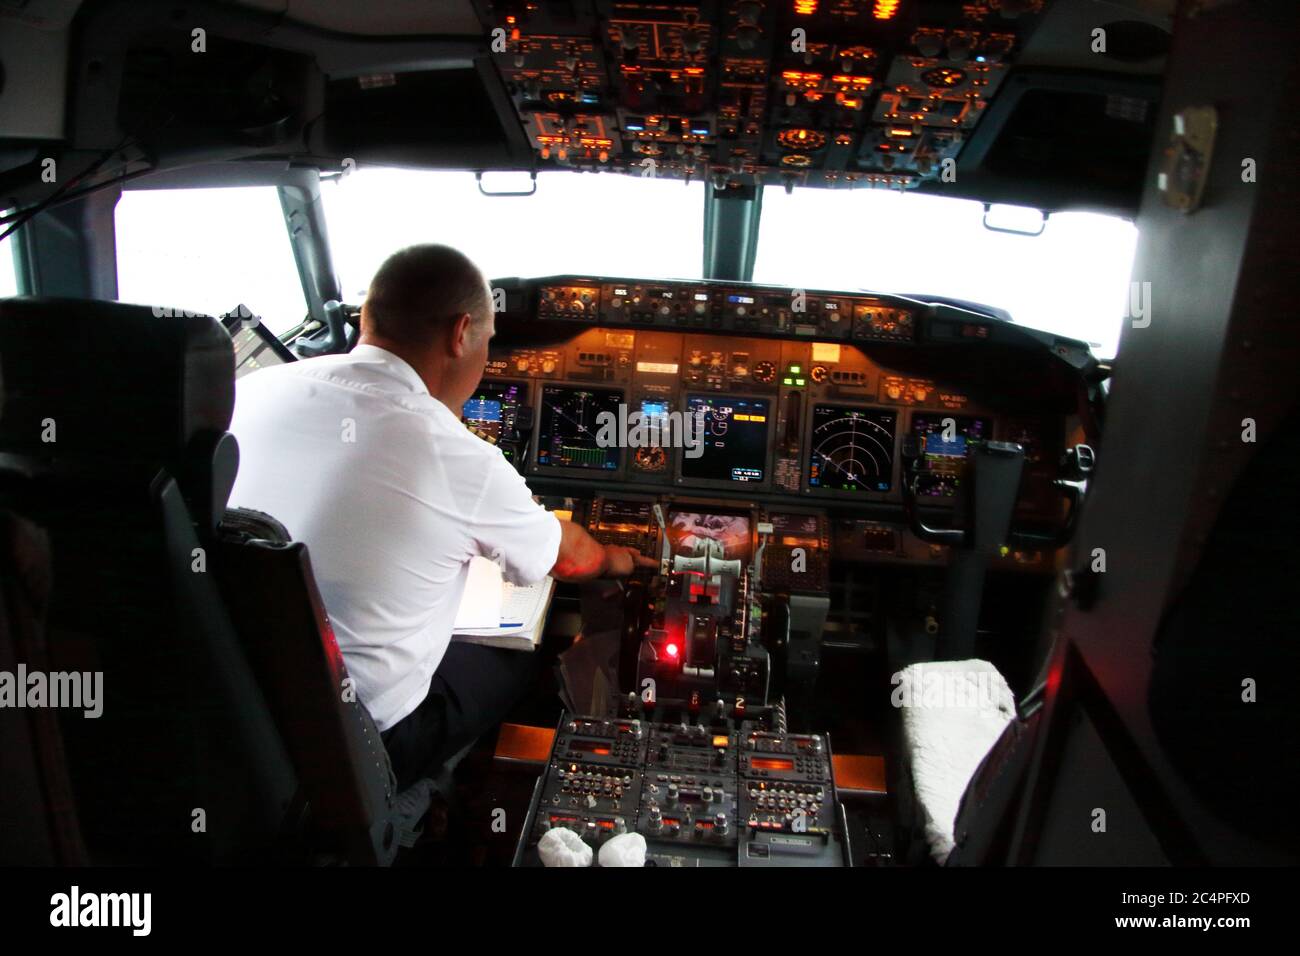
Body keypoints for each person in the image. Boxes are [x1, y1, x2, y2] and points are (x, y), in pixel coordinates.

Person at [228, 243, 655, 787]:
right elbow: (568, 561)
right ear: (460, 334)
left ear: (366, 318)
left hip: (231, 694)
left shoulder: (250, 389)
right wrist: (618, 560)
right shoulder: (456, 453)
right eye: (488, 341)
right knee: (524, 652)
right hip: (359, 739)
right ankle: (423, 801)